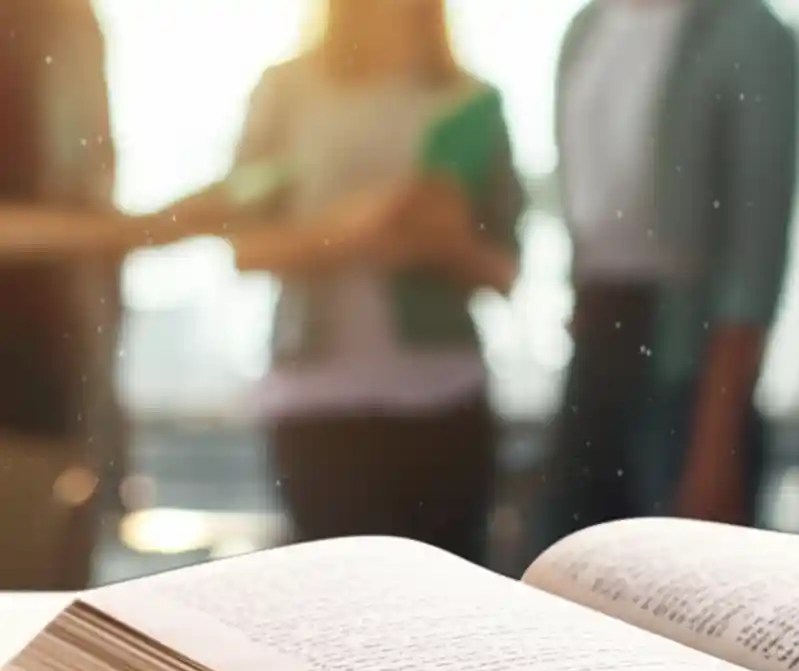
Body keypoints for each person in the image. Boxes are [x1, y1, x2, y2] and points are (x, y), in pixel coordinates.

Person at [168, 0, 524, 564]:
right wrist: (351, 232)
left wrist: (442, 241)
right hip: (317, 403)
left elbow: (505, 269)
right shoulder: (287, 91)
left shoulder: (473, 101)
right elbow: (244, 247)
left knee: (449, 613)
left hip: (445, 399)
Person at [541, 0, 799, 545]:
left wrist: (716, 449)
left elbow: (754, 260)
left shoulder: (750, 33)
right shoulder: (587, 27)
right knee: (567, 568)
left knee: (677, 581)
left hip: (690, 351)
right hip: (596, 333)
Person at [0, 0, 171, 589]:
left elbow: (88, 197)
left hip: (52, 401)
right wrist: (156, 227)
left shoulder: (69, 21)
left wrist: (107, 432)